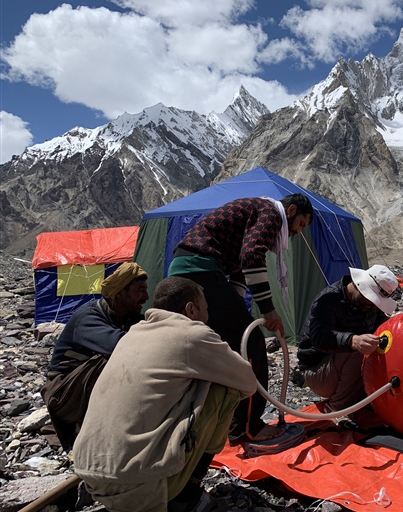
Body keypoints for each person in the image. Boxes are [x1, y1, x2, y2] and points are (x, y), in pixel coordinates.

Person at [73, 276, 258, 512]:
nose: (208, 315)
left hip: (91, 478)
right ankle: (186, 494)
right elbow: (247, 382)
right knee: (224, 389)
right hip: (142, 486)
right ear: (191, 309)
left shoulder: (132, 334)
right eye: (206, 309)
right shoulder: (192, 334)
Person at [168, 194, 313, 444]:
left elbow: (237, 271)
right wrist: (268, 310)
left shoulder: (254, 212)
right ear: (290, 211)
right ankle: (248, 428)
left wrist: (235, 313)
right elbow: (251, 257)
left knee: (224, 344)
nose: (298, 232)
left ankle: (210, 422)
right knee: (253, 341)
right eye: (301, 223)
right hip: (201, 270)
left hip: (187, 269)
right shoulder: (271, 213)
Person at [41, 262, 149, 450]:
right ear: (120, 293)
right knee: (111, 360)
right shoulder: (88, 318)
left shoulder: (127, 317)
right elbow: (120, 344)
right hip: (62, 393)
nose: (146, 297)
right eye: (140, 290)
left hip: (80, 388)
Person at [296, 265, 398, 416]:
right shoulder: (328, 300)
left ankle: (363, 397)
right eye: (370, 299)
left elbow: (383, 327)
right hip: (318, 371)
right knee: (358, 349)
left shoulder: (368, 305)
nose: (371, 305)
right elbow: (320, 336)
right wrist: (353, 341)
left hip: (344, 370)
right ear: (359, 286)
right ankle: (337, 408)